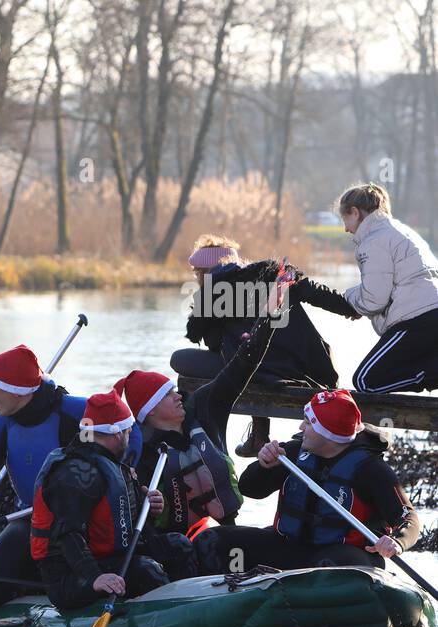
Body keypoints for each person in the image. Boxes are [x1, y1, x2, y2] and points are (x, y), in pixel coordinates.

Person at [0, 346, 142, 610]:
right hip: (33, 521)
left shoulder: (77, 414)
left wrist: (123, 475)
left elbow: (129, 431)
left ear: (16, 389)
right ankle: (31, 592)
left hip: (87, 520)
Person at [194, 389, 419, 574]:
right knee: (210, 541)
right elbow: (249, 489)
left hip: (343, 556)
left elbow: (407, 517)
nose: (301, 428)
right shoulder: (292, 452)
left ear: (328, 434)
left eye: (308, 423)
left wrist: (396, 542)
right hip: (289, 548)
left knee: (324, 568)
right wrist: (263, 466)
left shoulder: (371, 470)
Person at [171, 234, 355, 455]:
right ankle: (258, 435)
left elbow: (207, 340)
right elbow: (317, 293)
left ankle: (206, 447)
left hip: (257, 371)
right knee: (247, 353)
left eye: (196, 273)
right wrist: (354, 308)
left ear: (203, 271)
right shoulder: (276, 274)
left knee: (182, 360)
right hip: (301, 368)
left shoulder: (213, 292)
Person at [116, 305, 277, 537]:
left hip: (220, 533)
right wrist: (146, 504)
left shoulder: (205, 407)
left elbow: (241, 367)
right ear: (150, 412)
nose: (179, 395)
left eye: (174, 390)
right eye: (168, 394)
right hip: (172, 542)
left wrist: (270, 316)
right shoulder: (140, 451)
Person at [31, 392, 196, 612]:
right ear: (117, 434)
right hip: (68, 574)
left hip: (110, 558)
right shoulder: (76, 473)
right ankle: (176, 618)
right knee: (146, 569)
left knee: (179, 545)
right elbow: (67, 534)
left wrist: (149, 505)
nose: (128, 440)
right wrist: (95, 577)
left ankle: (195, 602)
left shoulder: (107, 462)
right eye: (128, 433)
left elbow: (118, 520)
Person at [336, 183, 438, 394]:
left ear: (355, 212)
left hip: (417, 318)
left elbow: (373, 300)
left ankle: (429, 374)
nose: (346, 228)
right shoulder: (400, 230)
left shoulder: (373, 241)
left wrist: (348, 297)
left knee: (366, 381)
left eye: (344, 219)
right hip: (428, 312)